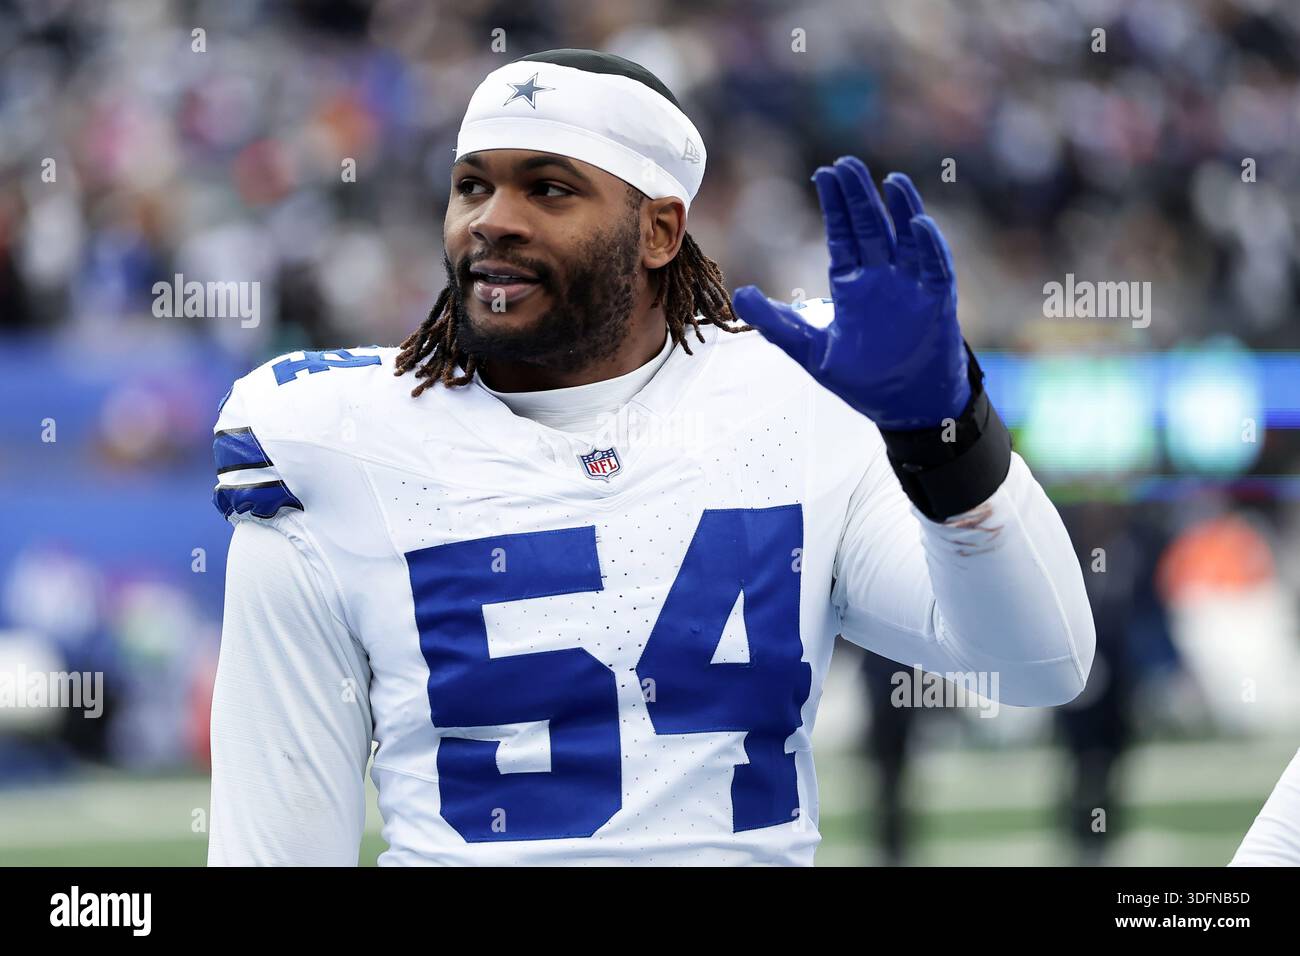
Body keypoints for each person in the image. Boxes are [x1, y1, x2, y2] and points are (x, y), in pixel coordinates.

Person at [207, 48, 1095, 865]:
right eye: (472, 187)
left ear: (659, 231)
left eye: (548, 189)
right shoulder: (331, 441)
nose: (493, 222)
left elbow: (1040, 662)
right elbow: (272, 843)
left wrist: (945, 431)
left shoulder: (794, 400)